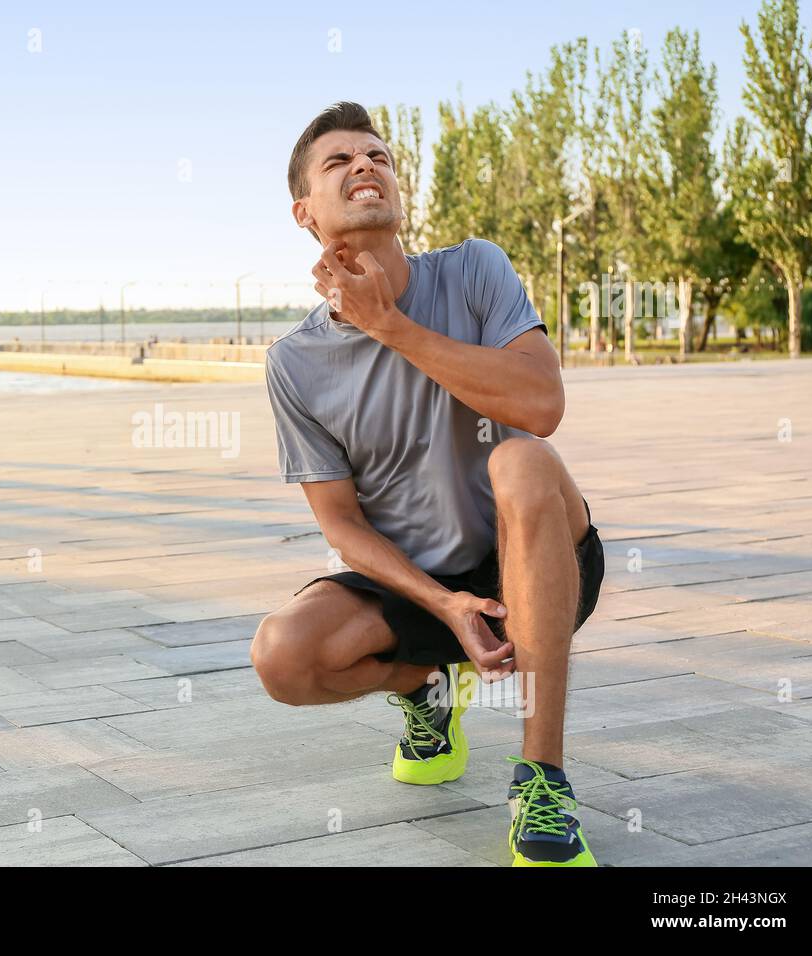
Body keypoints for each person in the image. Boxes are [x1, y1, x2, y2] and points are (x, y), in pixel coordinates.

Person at [254, 102, 605, 867]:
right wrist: (443, 603)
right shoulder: (294, 363)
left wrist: (392, 328)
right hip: (425, 586)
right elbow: (342, 526)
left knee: (518, 460)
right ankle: (430, 690)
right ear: (304, 212)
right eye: (338, 161)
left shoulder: (476, 268)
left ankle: (541, 779)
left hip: (538, 550)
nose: (364, 166)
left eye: (376, 155)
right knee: (282, 654)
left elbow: (541, 406)